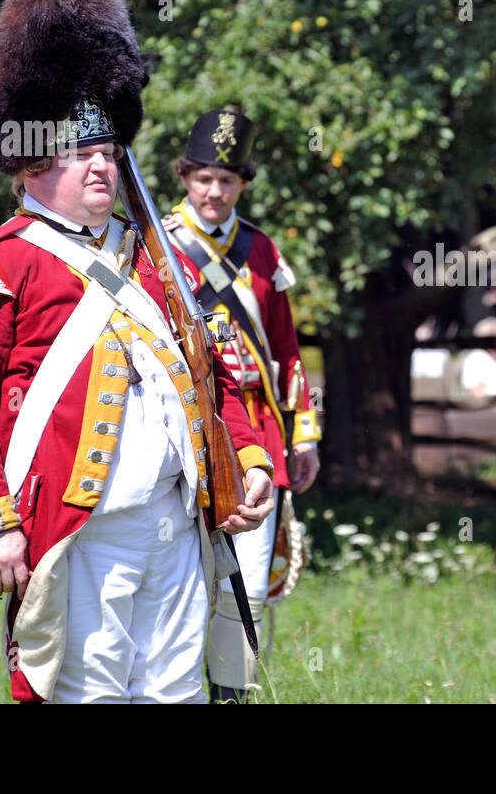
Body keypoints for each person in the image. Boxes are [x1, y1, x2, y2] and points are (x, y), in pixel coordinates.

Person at [0, 0, 274, 704]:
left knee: (174, 694)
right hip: (78, 532)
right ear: (27, 163)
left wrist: (249, 458)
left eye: (108, 152)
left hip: (176, 528)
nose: (100, 166)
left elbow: (213, 370)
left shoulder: (159, 261)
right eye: (78, 152)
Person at [163, 108, 321, 700]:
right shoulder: (159, 245)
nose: (214, 190)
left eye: (226, 180)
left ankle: (231, 691)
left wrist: (304, 435)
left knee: (246, 585)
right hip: (190, 426)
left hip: (261, 429)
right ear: (185, 177)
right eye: (203, 177)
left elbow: (288, 350)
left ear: (243, 185)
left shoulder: (260, 249)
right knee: (184, 577)